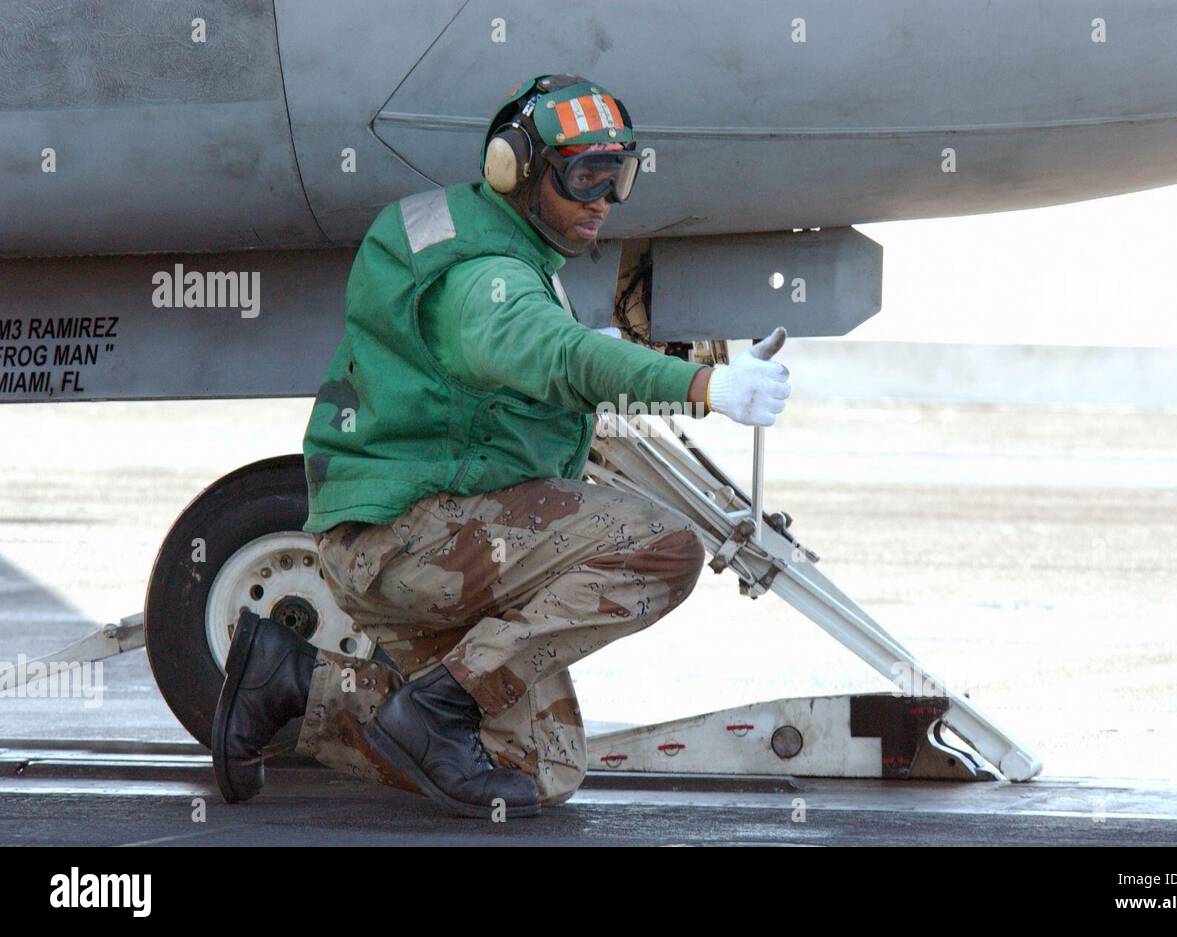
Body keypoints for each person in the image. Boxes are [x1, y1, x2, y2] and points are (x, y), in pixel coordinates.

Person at [211, 74, 791, 818]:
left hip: (424, 537)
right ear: (515, 170)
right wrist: (703, 386)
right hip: (412, 538)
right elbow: (557, 357)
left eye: (620, 177)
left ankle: (291, 681)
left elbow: (534, 357)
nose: (603, 200)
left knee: (538, 770)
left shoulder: (502, 253)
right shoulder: (487, 280)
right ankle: (440, 705)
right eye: (585, 176)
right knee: (663, 549)